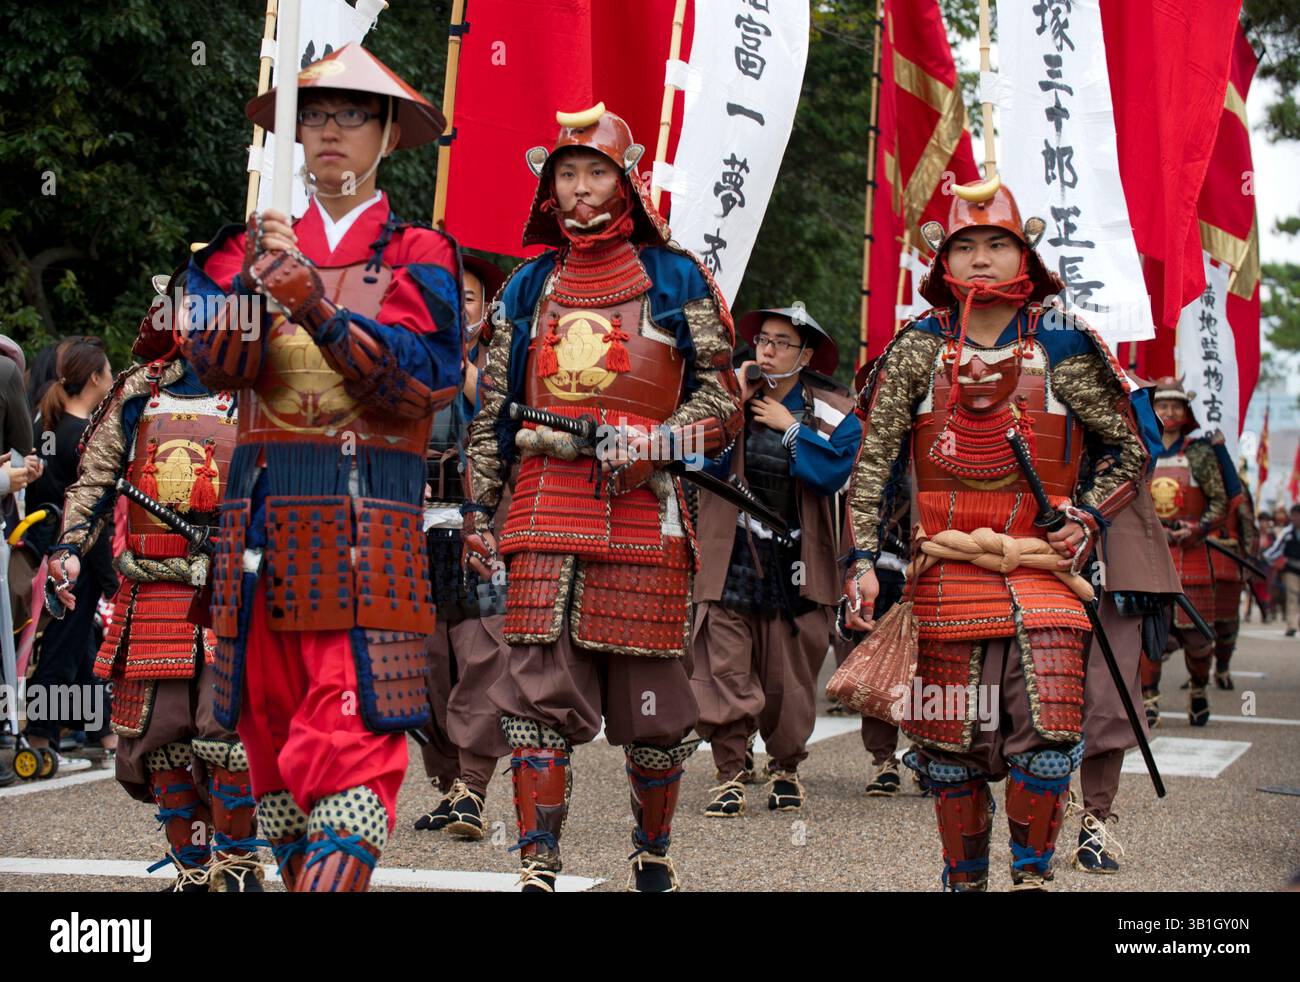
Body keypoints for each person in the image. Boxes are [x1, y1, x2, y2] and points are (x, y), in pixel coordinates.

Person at [181, 43, 462, 892]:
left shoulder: (421, 250)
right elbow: (213, 365)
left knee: (348, 762)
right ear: (293, 134)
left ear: (387, 133)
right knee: (274, 772)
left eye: (350, 114)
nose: (329, 130)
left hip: (364, 529)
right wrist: (248, 299)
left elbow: (417, 386)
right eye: (314, 114)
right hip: (257, 530)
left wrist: (312, 298)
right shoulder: (241, 246)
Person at [464, 104, 742, 892]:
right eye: (567, 173)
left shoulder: (677, 276)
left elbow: (722, 407)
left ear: (628, 182)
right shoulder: (527, 285)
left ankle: (652, 856)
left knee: (654, 709)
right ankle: (537, 864)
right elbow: (492, 411)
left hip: (643, 506)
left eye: (596, 172)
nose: (581, 190)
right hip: (545, 503)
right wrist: (482, 509)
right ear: (550, 186)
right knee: (533, 697)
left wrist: (657, 439)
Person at [843, 184, 1147, 891]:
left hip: (1045, 571)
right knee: (949, 748)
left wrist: (1088, 517)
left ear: (1023, 253)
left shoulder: (1065, 342)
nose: (981, 259)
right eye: (965, 245)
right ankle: (964, 881)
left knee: (1047, 740)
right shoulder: (919, 346)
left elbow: (1125, 449)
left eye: (997, 244)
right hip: (945, 573)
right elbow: (875, 463)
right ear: (944, 256)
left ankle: (1033, 878)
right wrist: (863, 558)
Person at [47, 271, 261, 891]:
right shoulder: (139, 391)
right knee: (162, 735)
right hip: (153, 588)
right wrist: (68, 546)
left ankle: (238, 862)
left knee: (229, 735)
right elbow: (93, 478)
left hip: (230, 588)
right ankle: (192, 867)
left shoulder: (259, 394)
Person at [690, 306, 860, 817]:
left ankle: (785, 767)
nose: (766, 350)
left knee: (789, 676)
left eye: (781, 342)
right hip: (731, 552)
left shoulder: (834, 410)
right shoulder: (727, 397)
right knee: (724, 664)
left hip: (798, 559)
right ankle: (731, 770)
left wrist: (791, 430)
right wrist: (731, 410)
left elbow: (834, 472)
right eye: (762, 339)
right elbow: (696, 461)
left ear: (805, 355)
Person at [416, 255, 510, 840]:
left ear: (486, 308)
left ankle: (473, 786)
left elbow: (505, 420)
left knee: (480, 658)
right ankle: (448, 783)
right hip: (414, 531)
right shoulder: (407, 360)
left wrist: (461, 369)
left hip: (479, 529)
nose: (458, 307)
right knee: (425, 665)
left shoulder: (502, 359)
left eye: (469, 298)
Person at [24, 336, 117, 767]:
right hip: (76, 558)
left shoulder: (48, 426)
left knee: (80, 646)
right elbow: (94, 510)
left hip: (48, 548)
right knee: (63, 648)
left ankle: (101, 731)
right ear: (95, 378)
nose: (113, 377)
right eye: (109, 370)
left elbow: (44, 495)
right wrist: (111, 575)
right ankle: (41, 738)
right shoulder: (84, 438)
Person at [1140, 379, 1226, 726]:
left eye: (1176, 406)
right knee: (1148, 631)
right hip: (1152, 553)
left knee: (1198, 635)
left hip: (1191, 553)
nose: (1169, 412)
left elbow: (1220, 500)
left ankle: (1199, 690)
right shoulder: (1142, 447)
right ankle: (1150, 700)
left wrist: (1197, 527)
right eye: (1163, 406)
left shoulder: (1200, 452)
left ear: (1186, 412)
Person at [1263, 504, 1300, 637]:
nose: (1296, 519)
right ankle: (1292, 625)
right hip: (1291, 568)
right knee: (1292, 596)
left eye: (1298, 515)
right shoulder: (1287, 532)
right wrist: (1268, 559)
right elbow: (1274, 549)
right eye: (1294, 515)